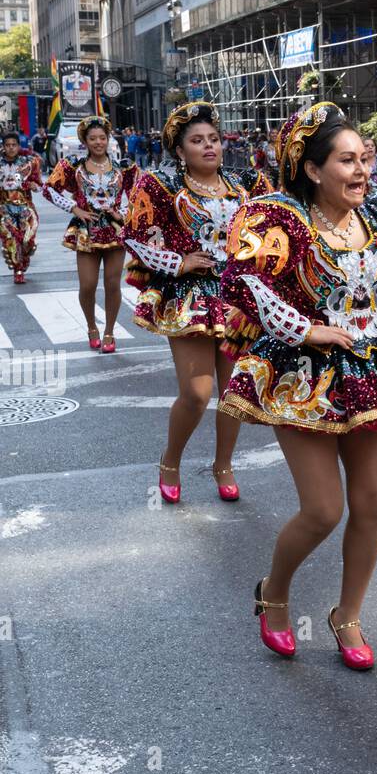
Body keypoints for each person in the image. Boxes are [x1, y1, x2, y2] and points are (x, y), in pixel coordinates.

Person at [216, 101, 377, 663]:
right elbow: (242, 282)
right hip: (300, 373)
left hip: (370, 370)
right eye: (347, 161)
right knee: (323, 509)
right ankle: (274, 594)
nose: (362, 172)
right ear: (314, 169)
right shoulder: (278, 218)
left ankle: (348, 615)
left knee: (370, 504)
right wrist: (309, 329)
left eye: (365, 159)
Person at [122, 101, 270, 501]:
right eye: (197, 140)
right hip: (191, 298)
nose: (209, 146)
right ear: (180, 150)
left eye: (214, 139)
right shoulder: (161, 187)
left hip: (237, 300)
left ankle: (224, 464)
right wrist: (178, 261)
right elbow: (133, 234)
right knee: (197, 393)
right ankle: (170, 460)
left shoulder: (249, 185)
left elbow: (278, 231)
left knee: (234, 392)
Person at [43, 115, 139, 349]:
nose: (98, 142)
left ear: (109, 140)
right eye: (93, 138)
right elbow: (49, 190)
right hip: (86, 231)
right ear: (84, 141)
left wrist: (122, 212)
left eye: (102, 138)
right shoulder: (73, 166)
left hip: (114, 232)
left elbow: (139, 195)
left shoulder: (124, 167)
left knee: (113, 284)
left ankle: (109, 332)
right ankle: (91, 326)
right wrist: (75, 208)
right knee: (87, 285)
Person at [0, 131, 42, 284]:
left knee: (27, 239)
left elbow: (39, 186)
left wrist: (34, 185)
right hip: (4, 208)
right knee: (10, 239)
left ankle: (24, 256)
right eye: (7, 145)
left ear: (18, 146)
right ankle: (17, 270)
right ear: (3, 147)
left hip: (25, 206)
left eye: (14, 145)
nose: (11, 148)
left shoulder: (29, 163)